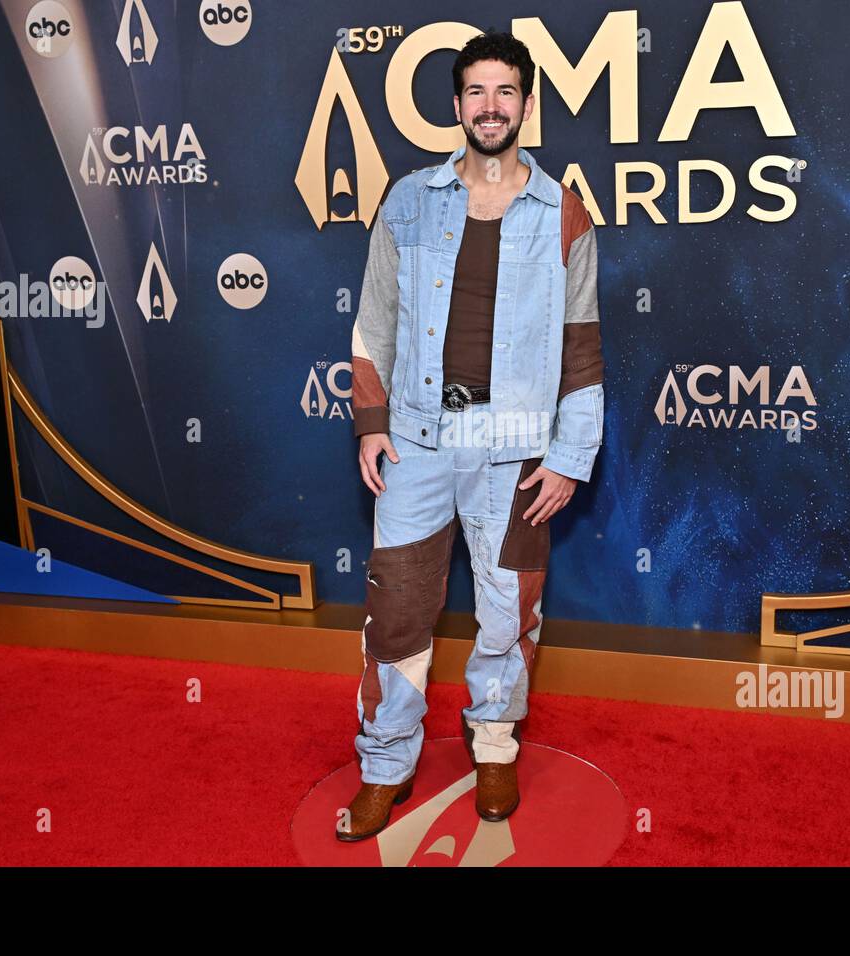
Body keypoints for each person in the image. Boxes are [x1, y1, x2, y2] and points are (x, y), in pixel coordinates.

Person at [338, 30, 605, 842]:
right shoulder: (409, 201)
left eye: (506, 92)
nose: (491, 107)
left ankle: (494, 745)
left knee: (508, 618)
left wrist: (568, 455)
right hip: (417, 446)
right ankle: (385, 763)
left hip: (517, 452)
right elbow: (372, 321)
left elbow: (582, 343)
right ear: (455, 107)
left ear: (526, 104)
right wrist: (371, 424)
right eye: (476, 93)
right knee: (398, 617)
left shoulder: (562, 212)